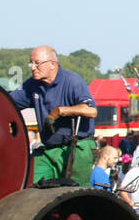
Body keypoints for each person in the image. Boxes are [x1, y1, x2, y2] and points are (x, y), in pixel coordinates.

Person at [8, 47, 98, 185]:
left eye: (37, 63)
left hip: (78, 146)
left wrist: (61, 111)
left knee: (74, 192)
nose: (32, 67)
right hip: (50, 149)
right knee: (30, 184)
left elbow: (91, 111)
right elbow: (7, 102)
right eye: (31, 63)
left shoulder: (72, 80)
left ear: (52, 64)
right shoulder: (32, 85)